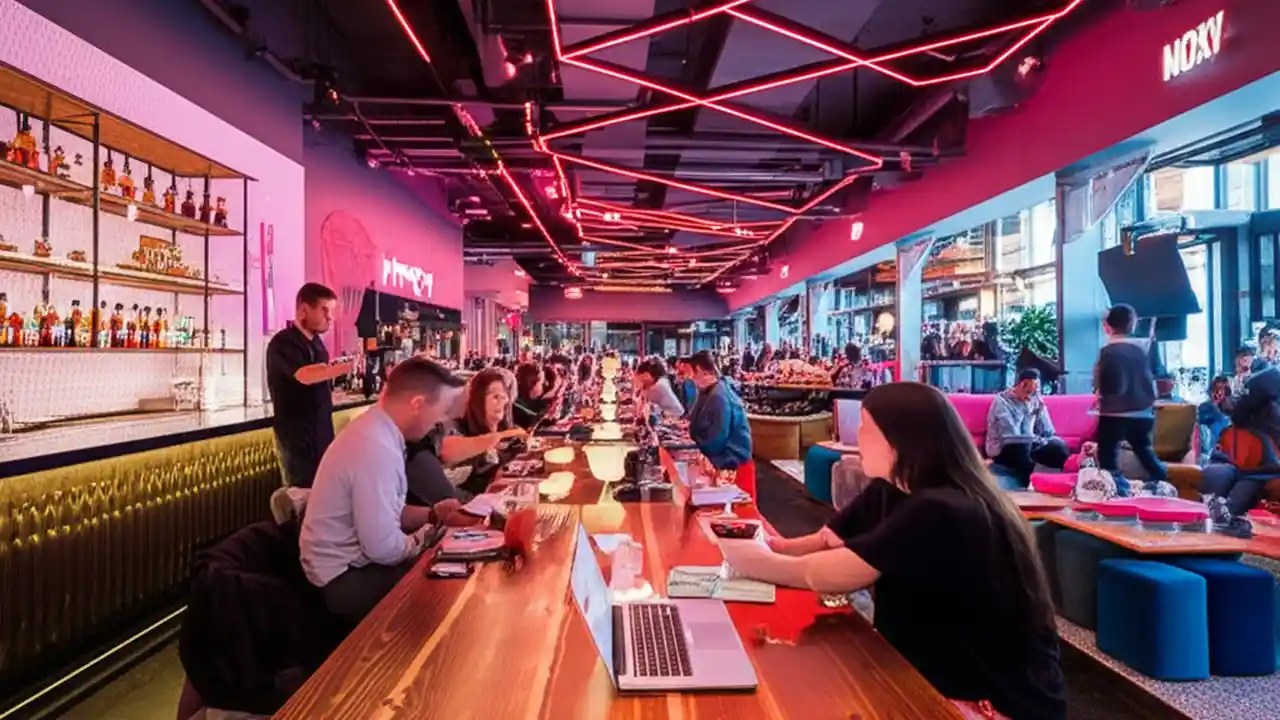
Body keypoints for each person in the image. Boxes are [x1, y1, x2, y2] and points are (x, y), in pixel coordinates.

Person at [719, 382, 1065, 720]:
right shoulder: (897, 487)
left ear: (899, 441)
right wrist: (770, 545)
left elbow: (831, 574)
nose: (856, 436)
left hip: (988, 700)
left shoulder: (943, 506)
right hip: (929, 672)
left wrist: (747, 558)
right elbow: (828, 538)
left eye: (866, 428)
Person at [299, 357, 467, 621]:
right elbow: (383, 547)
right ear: (418, 405)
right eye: (440, 411)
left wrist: (432, 515)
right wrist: (422, 540)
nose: (439, 421)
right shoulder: (375, 447)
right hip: (342, 581)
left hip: (349, 567)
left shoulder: (377, 431)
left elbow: (387, 512)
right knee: (447, 587)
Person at [266, 283, 358, 488]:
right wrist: (344, 367)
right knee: (300, 497)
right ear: (303, 311)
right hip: (296, 438)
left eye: (331, 311)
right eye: (324, 310)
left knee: (324, 493)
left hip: (322, 433)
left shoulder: (318, 345)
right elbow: (305, 376)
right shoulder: (283, 343)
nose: (330, 317)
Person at [1094, 304, 1165, 496]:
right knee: (1144, 452)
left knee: (1108, 456)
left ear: (1107, 326)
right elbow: (1155, 377)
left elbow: (1107, 382)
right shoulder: (1143, 348)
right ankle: (1163, 480)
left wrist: (1101, 397)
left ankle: (1119, 492)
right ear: (1132, 325)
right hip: (1142, 413)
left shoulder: (1108, 351)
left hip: (1114, 413)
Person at [438, 369, 527, 498]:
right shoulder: (459, 429)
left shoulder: (512, 435)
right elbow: (445, 450)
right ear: (479, 399)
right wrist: (497, 438)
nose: (502, 403)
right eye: (495, 397)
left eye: (504, 397)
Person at [985, 369, 1070, 487]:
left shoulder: (1036, 400)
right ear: (1020, 385)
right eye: (1029, 391)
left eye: (1035, 392)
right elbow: (1012, 436)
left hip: (1030, 445)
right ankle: (1024, 485)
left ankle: (1045, 483)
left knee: (1059, 447)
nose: (1032, 397)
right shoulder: (1002, 402)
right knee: (1021, 447)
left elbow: (1048, 431)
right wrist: (1027, 412)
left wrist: (1040, 411)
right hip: (1006, 448)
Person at [687, 351, 755, 497]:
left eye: (693, 374)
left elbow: (717, 439)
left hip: (734, 465)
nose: (692, 379)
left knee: (739, 513)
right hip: (725, 462)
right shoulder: (709, 391)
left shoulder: (719, 396)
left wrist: (701, 457)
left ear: (702, 371)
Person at [511, 362, 550, 430]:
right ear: (531, 383)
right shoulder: (517, 405)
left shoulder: (538, 403)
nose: (545, 384)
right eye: (541, 382)